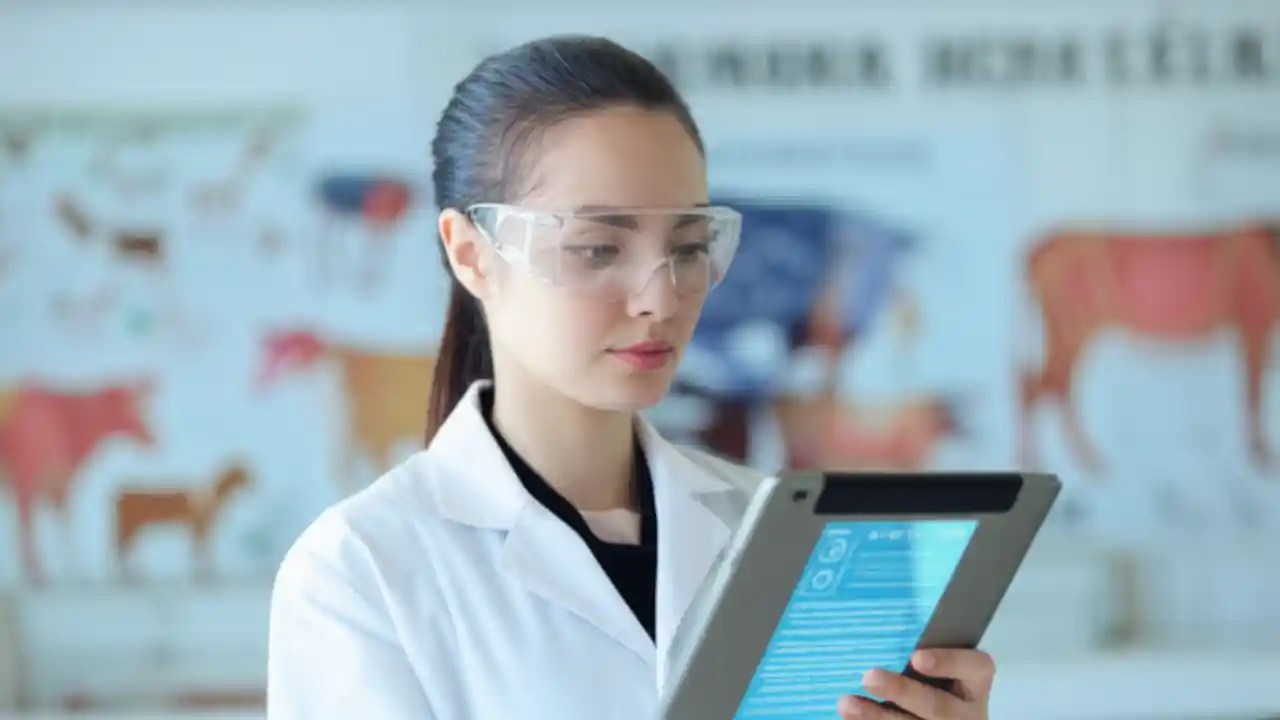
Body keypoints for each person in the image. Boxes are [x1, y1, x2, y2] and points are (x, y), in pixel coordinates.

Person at [267, 35, 997, 719]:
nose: (660, 297)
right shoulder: (361, 572)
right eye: (595, 249)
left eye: (686, 247)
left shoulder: (783, 535)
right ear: (471, 254)